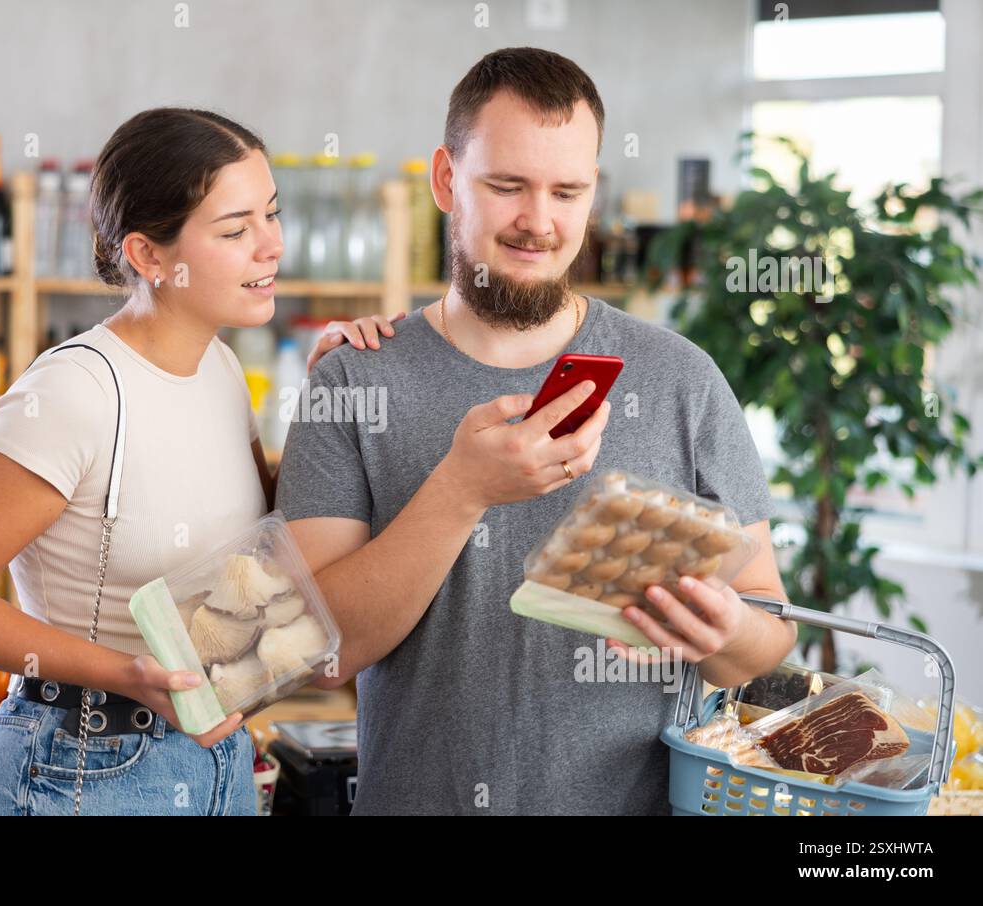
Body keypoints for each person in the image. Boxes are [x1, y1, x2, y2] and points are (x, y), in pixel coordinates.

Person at [276, 47, 795, 815]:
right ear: (447, 181)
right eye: (508, 186)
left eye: (568, 191)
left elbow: (768, 633)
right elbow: (319, 655)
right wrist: (459, 491)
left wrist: (725, 633)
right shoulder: (354, 380)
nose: (539, 222)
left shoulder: (682, 378)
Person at [0, 107, 359, 815]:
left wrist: (328, 395)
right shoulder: (75, 392)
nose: (272, 246)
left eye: (272, 213)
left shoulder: (222, 368)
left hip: (213, 756)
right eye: (235, 230)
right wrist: (132, 675)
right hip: (78, 763)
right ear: (147, 255)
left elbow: (255, 539)